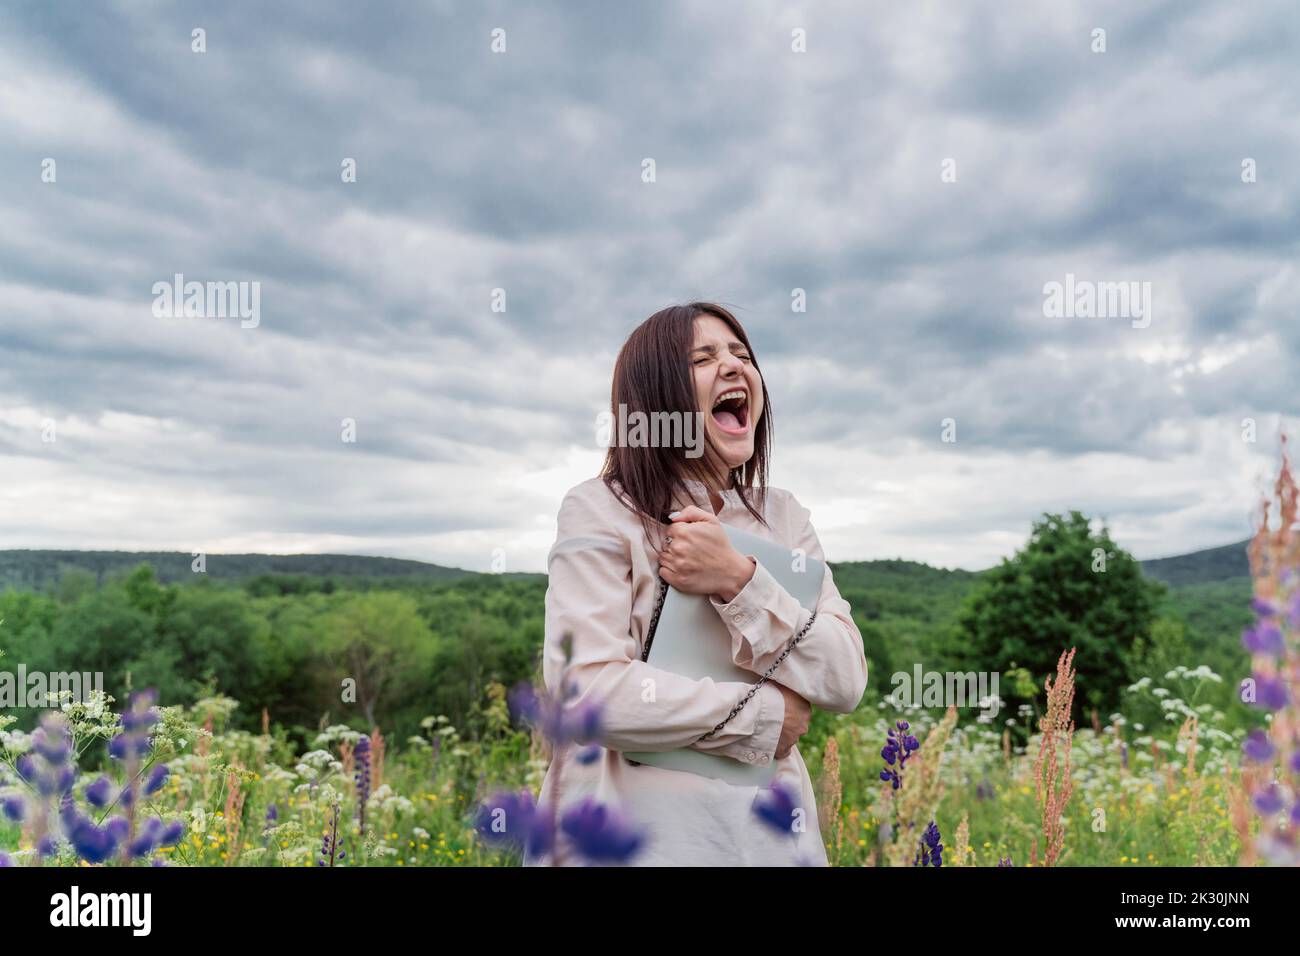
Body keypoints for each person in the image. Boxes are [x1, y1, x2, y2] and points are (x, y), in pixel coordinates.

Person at [523, 302, 868, 866]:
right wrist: (763, 717)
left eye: (741, 354)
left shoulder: (785, 519)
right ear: (656, 398)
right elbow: (584, 691)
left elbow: (846, 677)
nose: (734, 367)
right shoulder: (600, 510)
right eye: (703, 358)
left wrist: (739, 580)